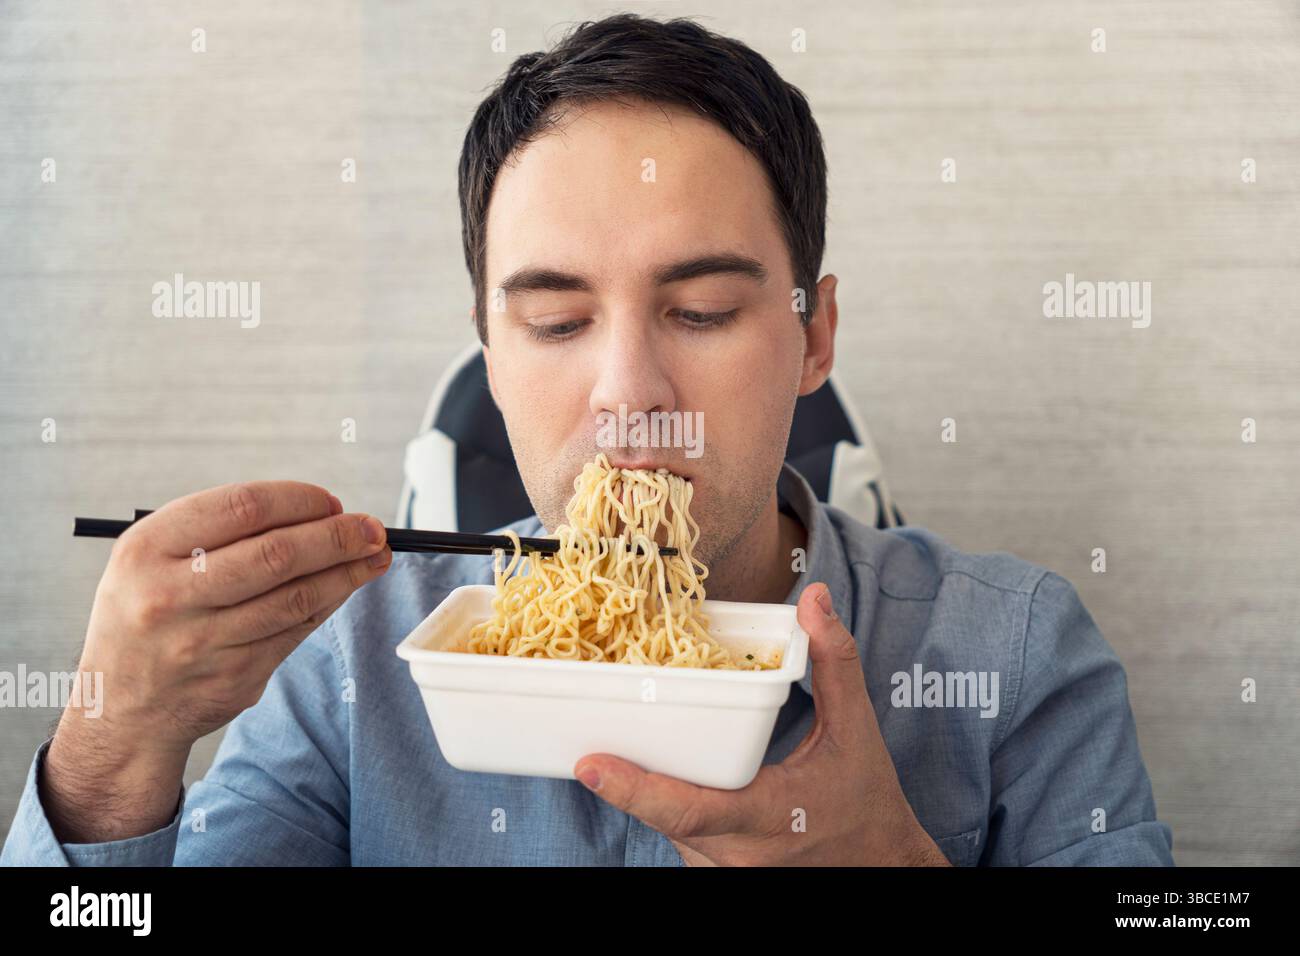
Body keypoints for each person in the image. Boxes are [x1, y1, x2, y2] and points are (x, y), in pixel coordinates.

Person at [2, 13, 1172, 866]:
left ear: (814, 339)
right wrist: (110, 757)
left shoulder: (1011, 654)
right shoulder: (360, 657)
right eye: (557, 320)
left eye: (702, 311)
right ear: (489, 354)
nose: (628, 395)